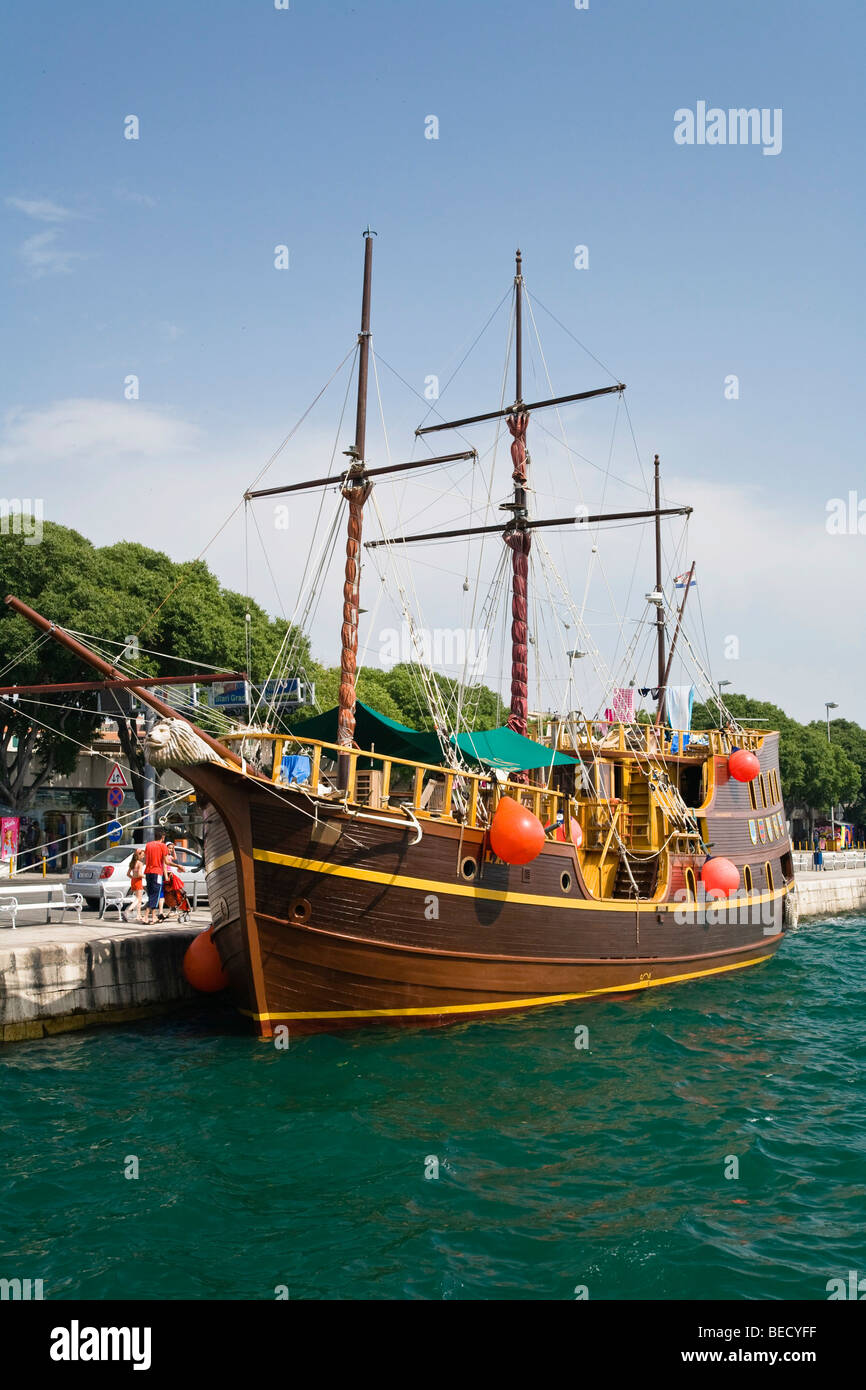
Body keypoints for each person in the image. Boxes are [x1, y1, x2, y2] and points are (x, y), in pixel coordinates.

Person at [142, 830, 168, 924]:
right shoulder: (163, 846)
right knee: (155, 895)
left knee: (151, 894)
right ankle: (146, 917)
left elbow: (144, 859)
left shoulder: (148, 845)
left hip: (148, 872)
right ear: (162, 837)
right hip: (157, 872)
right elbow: (167, 862)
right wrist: (178, 866)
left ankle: (153, 917)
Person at [126, 848, 146, 922]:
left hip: (133, 881)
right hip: (138, 881)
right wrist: (145, 876)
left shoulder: (132, 863)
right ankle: (128, 910)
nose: (143, 857)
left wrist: (133, 878)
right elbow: (140, 874)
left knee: (139, 899)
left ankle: (139, 915)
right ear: (139, 855)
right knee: (138, 899)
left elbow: (128, 874)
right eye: (143, 855)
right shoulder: (140, 863)